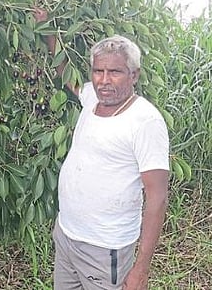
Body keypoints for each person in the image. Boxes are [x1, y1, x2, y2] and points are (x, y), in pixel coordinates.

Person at [51, 33, 169, 290]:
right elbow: (66, 73)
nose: (104, 80)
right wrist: (47, 32)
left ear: (134, 75)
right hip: (67, 235)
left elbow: (157, 197)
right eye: (98, 71)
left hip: (105, 249)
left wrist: (141, 269)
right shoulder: (92, 98)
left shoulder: (145, 121)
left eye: (115, 72)